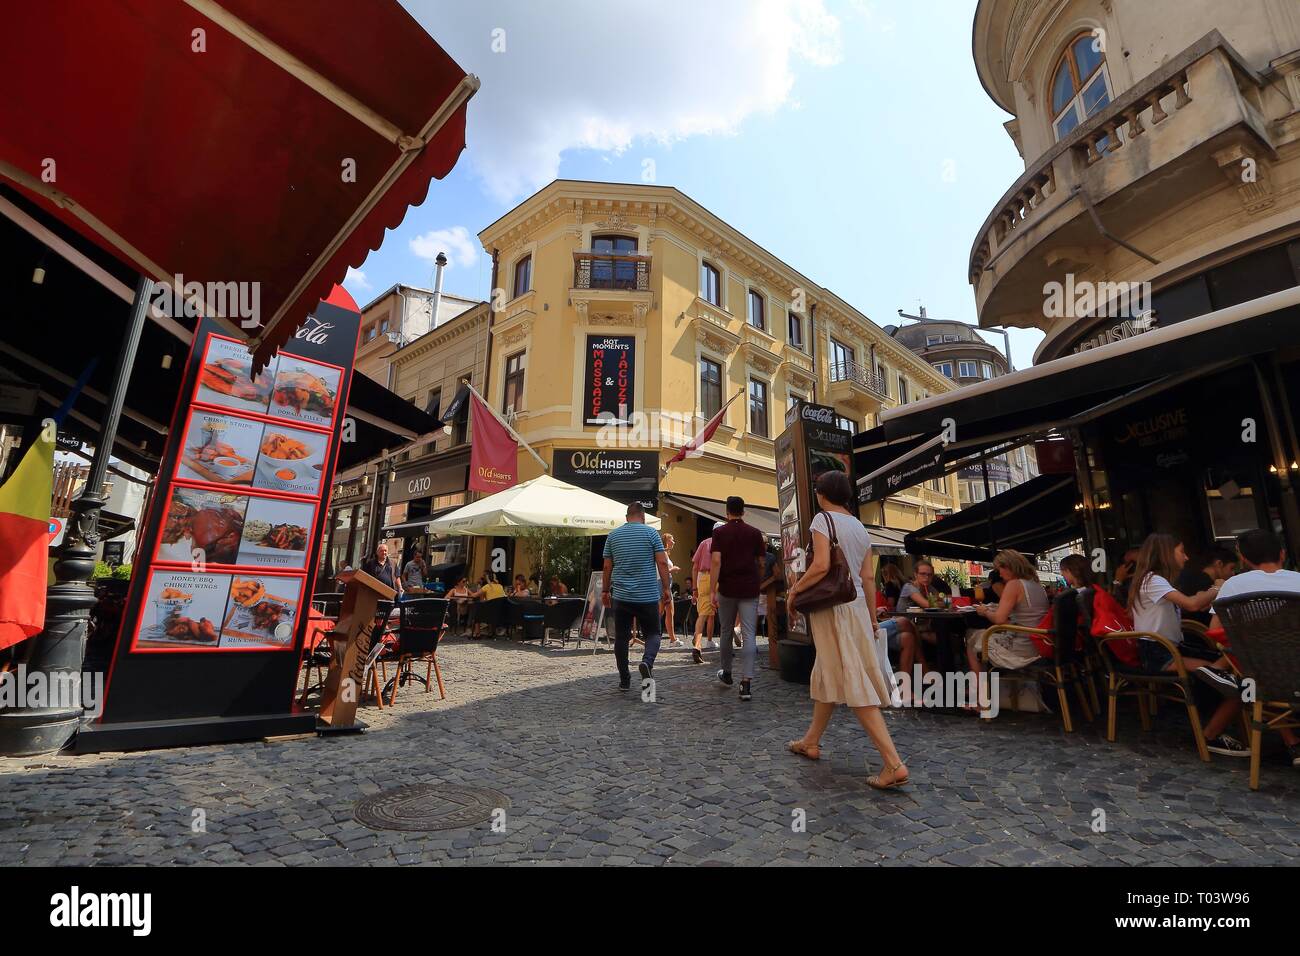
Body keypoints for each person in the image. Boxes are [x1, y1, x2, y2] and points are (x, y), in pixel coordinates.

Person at [785, 470, 908, 789]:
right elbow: (868, 578)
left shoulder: (821, 520)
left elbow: (822, 565)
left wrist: (795, 590)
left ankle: (893, 763)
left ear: (821, 493)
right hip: (854, 607)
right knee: (830, 668)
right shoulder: (859, 527)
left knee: (851, 678)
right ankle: (811, 740)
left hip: (833, 607)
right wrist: (870, 617)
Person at [1127, 532, 1245, 756]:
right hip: (1159, 653)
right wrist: (1217, 588)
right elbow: (1191, 604)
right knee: (1226, 675)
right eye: (1182, 551)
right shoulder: (1153, 580)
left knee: (1227, 665)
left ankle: (1216, 723)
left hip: (1168, 648)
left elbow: (1195, 605)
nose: (1186, 557)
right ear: (1166, 553)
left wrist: (1208, 594)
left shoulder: (1155, 580)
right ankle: (1212, 732)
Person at [1209, 528, 1300, 767]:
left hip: (1260, 676)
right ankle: (1293, 743)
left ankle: (1293, 744)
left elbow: (1215, 631)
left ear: (1244, 559)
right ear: (1282, 554)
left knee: (1250, 674)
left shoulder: (1233, 586)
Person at [964, 550, 1051, 704]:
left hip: (1022, 648)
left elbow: (999, 619)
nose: (999, 574)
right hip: (1039, 643)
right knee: (978, 635)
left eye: (1000, 569)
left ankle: (979, 698)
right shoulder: (1037, 585)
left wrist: (984, 612)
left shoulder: (1014, 585)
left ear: (1010, 567)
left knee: (971, 639)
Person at [602, 502, 671, 690]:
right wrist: (666, 589)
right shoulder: (651, 534)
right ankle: (647, 662)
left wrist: (605, 590)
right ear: (643, 516)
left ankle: (624, 680)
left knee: (622, 638)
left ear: (627, 517)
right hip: (647, 595)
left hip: (621, 596)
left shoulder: (613, 536)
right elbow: (663, 563)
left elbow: (607, 566)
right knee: (653, 633)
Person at [711, 496, 766, 702]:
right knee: (749, 633)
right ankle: (746, 683)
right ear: (744, 511)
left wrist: (712, 589)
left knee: (725, 631)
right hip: (749, 588)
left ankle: (726, 673)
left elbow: (716, 561)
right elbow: (761, 562)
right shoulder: (754, 533)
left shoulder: (719, 533)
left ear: (727, 512)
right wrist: (757, 580)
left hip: (726, 587)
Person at [1175, 545, 1237, 625]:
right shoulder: (1208, 584)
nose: (1233, 573)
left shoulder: (1189, 579)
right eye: (1231, 568)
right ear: (1219, 564)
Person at [691, 522, 723, 663]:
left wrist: (694, 588)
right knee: (725, 612)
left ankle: (697, 646)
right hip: (720, 578)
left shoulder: (704, 543)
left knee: (702, 615)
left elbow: (695, 567)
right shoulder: (725, 544)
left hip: (704, 577)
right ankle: (726, 647)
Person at [760, 543, 784, 669]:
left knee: (748, 621)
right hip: (766, 592)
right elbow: (777, 574)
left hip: (758, 592)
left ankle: (738, 631)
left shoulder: (751, 557)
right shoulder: (770, 557)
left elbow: (777, 574)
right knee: (772, 617)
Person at [661, 532, 682, 647]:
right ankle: (672, 639)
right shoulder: (663, 553)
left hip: (665, 584)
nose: (673, 542)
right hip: (663, 584)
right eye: (672, 540)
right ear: (667, 541)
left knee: (667, 612)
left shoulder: (665, 553)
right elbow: (662, 571)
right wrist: (673, 569)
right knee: (666, 612)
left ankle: (672, 638)